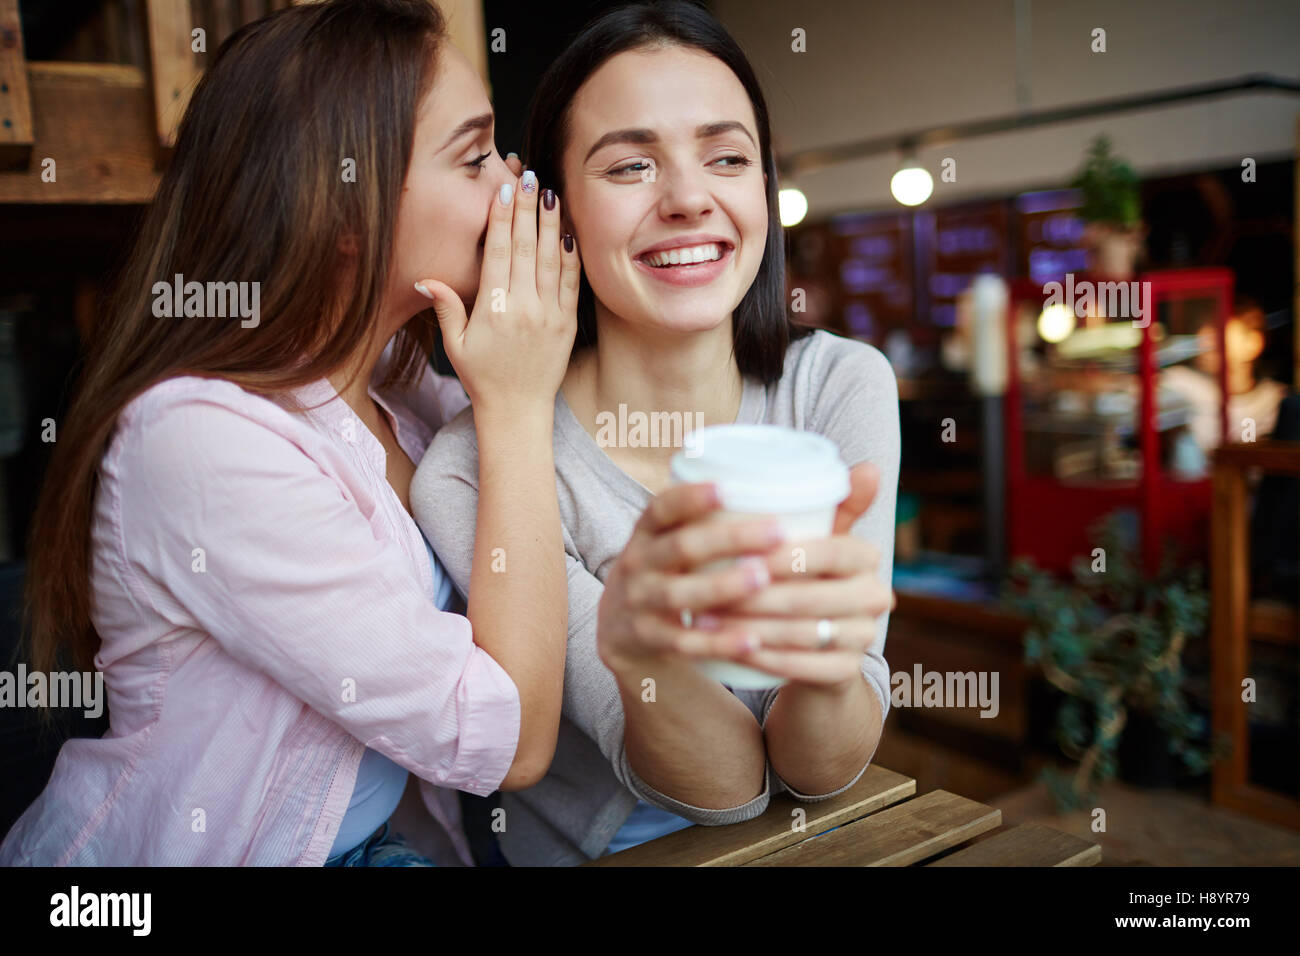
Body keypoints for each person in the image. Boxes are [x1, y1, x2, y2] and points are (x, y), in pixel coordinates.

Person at [0, 0, 579, 866]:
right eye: (474, 157)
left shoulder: (399, 383)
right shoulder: (200, 439)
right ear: (342, 210)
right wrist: (520, 407)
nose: (514, 187)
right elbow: (515, 737)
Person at [412, 0, 898, 866]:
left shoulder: (838, 386)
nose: (688, 199)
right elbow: (720, 793)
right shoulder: (468, 471)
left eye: (727, 157)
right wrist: (639, 648)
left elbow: (821, 771)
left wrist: (828, 652)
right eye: (630, 166)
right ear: (551, 215)